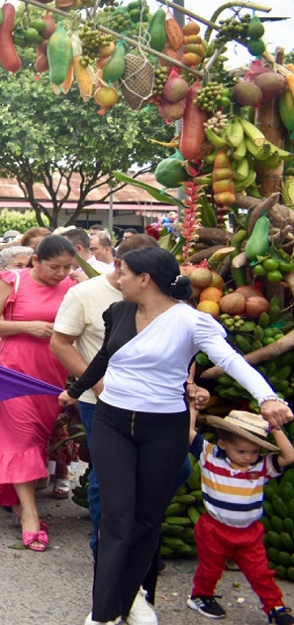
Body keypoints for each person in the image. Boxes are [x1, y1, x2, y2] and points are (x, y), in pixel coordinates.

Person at [59, 246, 293, 625]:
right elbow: (104, 356)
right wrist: (75, 390)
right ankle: (103, 613)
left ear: (144, 279)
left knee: (147, 519)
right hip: (112, 421)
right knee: (117, 517)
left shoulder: (192, 321)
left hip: (163, 428)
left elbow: (230, 359)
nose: (117, 279)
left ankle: (133, 596)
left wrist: (266, 396)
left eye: (123, 273)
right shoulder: (118, 310)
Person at [50, 233, 157, 557]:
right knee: (109, 477)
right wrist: (93, 382)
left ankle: (137, 545)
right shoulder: (85, 294)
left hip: (152, 403)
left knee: (162, 472)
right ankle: (106, 548)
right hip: (101, 403)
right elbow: (60, 344)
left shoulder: (160, 294)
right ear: (122, 264)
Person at [0, 235, 77, 553]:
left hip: (52, 373)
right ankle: (30, 515)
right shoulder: (12, 280)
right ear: (35, 261)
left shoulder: (73, 288)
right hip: (12, 372)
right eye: (54, 267)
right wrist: (27, 326)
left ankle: (18, 503)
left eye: (66, 267)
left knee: (36, 439)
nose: (60, 273)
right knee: (20, 439)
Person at [185, 409, 294, 624]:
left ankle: (275, 607)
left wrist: (276, 429)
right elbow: (187, 432)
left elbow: (289, 456)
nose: (248, 456)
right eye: (242, 451)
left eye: (254, 451)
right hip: (214, 529)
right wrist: (193, 409)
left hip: (249, 533)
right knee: (210, 568)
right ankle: (200, 596)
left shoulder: (261, 466)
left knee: (260, 571)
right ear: (223, 444)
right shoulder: (210, 455)